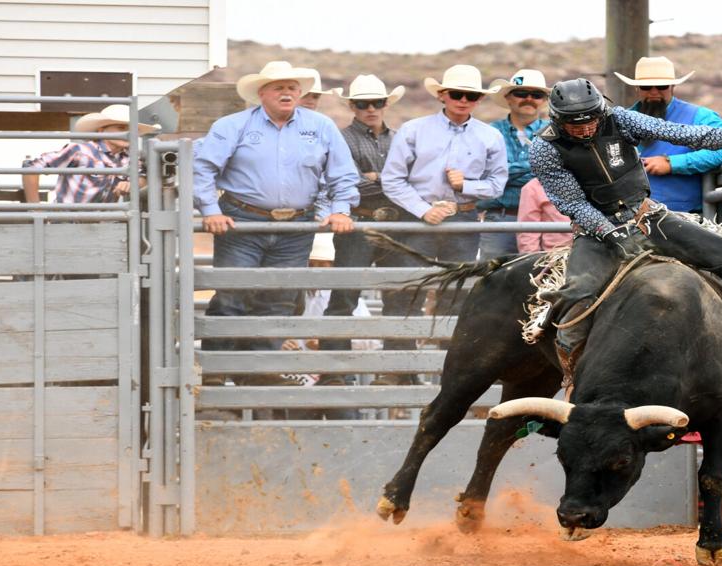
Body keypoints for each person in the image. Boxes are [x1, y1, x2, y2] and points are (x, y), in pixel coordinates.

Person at [527, 77, 722, 358]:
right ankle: (573, 374)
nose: (585, 129)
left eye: (591, 120)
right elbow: (573, 202)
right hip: (595, 231)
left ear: (600, 111)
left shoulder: (619, 118)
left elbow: (682, 133)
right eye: (573, 124)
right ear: (557, 119)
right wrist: (609, 232)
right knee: (576, 295)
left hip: (645, 215)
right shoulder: (545, 147)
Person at [192, 60, 359, 363]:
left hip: (296, 226)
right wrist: (210, 210)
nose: (287, 93)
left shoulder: (320, 126)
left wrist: (341, 209)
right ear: (262, 93)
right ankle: (217, 371)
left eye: (292, 88)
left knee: (279, 298)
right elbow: (202, 167)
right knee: (233, 296)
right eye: (278, 87)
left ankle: (258, 371)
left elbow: (343, 172)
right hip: (242, 221)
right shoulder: (233, 125)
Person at [378, 63, 508, 319]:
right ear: (442, 95)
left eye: (470, 95)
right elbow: (392, 179)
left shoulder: (490, 137)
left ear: (479, 99)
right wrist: (424, 210)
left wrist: (465, 186)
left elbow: (496, 184)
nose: (462, 100)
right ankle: (399, 355)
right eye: (456, 94)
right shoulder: (413, 130)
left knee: (457, 293)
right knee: (408, 288)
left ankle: (446, 355)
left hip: (463, 219)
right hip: (417, 219)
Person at [326, 74, 411, 353]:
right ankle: (334, 371)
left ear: (385, 103)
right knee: (344, 297)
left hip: (397, 226)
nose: (371, 109)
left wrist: (375, 178)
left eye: (376, 102)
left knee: (401, 297)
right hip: (359, 223)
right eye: (363, 104)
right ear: (353, 106)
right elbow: (348, 182)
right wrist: (394, 182)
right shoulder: (340, 139)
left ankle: (399, 369)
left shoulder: (401, 139)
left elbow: (416, 180)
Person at [614, 56, 722, 215]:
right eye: (646, 86)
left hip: (689, 218)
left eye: (662, 86)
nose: (654, 92)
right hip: (631, 219)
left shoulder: (700, 116)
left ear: (672, 86)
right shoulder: (617, 122)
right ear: (637, 88)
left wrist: (673, 163)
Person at [476, 68, 552, 258]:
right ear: (508, 97)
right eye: (521, 93)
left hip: (546, 220)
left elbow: (557, 170)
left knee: (544, 278)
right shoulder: (490, 132)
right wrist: (537, 166)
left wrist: (505, 172)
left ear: (543, 100)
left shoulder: (555, 132)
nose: (529, 98)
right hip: (502, 218)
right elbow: (486, 174)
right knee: (492, 279)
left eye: (536, 94)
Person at [21, 104, 159, 203]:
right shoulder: (79, 151)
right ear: (101, 130)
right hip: (67, 220)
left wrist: (131, 184)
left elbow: (142, 178)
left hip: (102, 223)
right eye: (121, 127)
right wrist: (35, 209)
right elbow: (32, 168)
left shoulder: (131, 158)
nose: (128, 133)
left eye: (132, 128)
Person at [514, 178, 571, 253]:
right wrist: (530, 259)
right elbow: (527, 231)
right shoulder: (533, 187)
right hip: (557, 255)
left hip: (588, 251)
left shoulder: (587, 182)